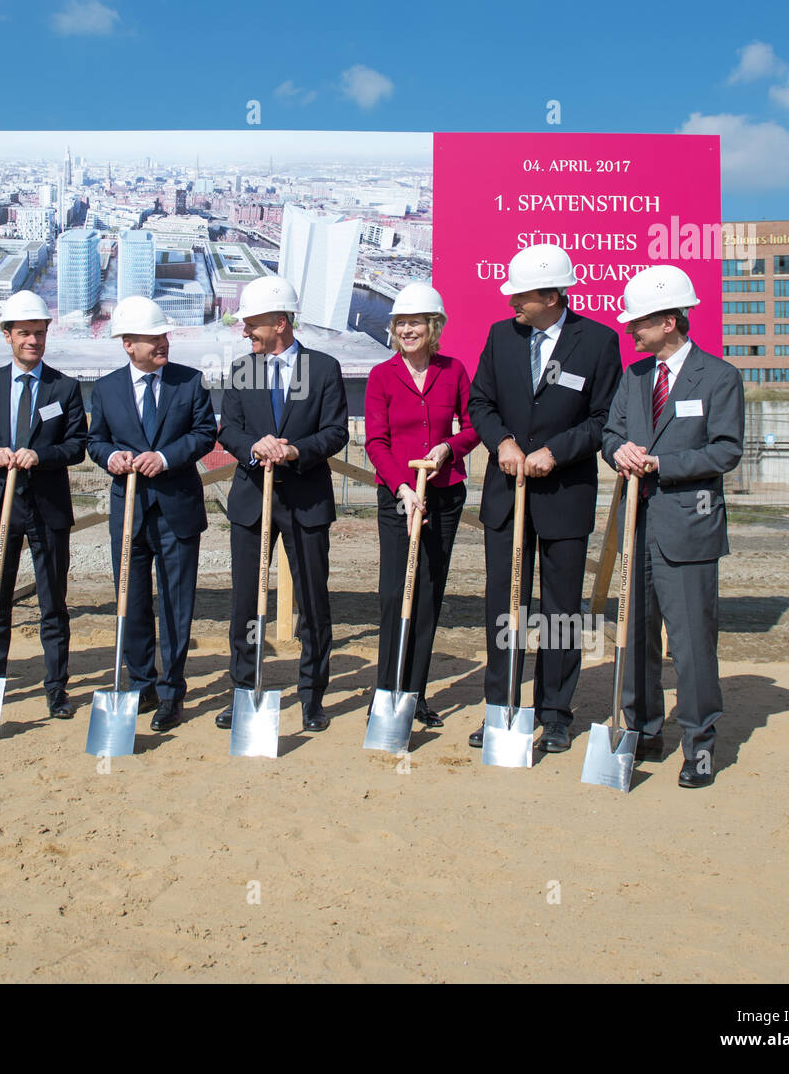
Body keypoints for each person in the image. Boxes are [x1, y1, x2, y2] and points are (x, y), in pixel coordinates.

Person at [467, 243, 622, 752]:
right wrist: (503, 442)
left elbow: (603, 419)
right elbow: (481, 402)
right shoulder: (500, 337)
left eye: (522, 294)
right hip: (507, 496)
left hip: (563, 494)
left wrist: (556, 451)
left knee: (558, 611)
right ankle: (501, 707)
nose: (512, 301)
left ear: (552, 294)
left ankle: (555, 710)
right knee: (504, 605)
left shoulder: (597, 342)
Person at [602, 265, 743, 789]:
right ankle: (642, 729)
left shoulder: (720, 377)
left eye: (638, 322)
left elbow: (726, 450)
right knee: (635, 638)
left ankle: (700, 744)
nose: (630, 331)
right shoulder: (634, 377)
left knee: (689, 645)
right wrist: (621, 451)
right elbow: (611, 433)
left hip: (689, 528)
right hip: (636, 525)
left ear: (668, 320)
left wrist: (663, 463)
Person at [217, 275, 349, 732]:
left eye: (252, 323)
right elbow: (228, 430)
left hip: (305, 499)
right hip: (254, 501)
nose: (245, 332)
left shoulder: (323, 368)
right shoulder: (242, 370)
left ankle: (312, 697)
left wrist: (294, 450)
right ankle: (244, 689)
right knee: (246, 603)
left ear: (280, 322)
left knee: (314, 602)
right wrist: (256, 447)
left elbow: (335, 432)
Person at [87, 295, 217, 732]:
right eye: (152, 338)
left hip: (177, 511)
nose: (163, 343)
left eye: (164, 335)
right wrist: (111, 458)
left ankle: (171, 691)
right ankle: (141, 683)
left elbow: (203, 435)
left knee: (177, 604)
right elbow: (95, 440)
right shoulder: (105, 390)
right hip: (130, 513)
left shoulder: (190, 382)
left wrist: (163, 458)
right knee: (134, 601)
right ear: (128, 344)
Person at [0, 291, 87, 718]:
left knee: (54, 602)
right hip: (1, 507)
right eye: (24, 334)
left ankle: (57, 688)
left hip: (47, 509)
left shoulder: (64, 389)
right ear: (8, 336)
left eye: (39, 333)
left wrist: (41, 456)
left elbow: (76, 447)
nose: (32, 341)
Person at [364, 283, 479, 728]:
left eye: (415, 322)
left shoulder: (453, 371)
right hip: (400, 497)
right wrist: (403, 489)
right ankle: (386, 692)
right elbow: (376, 441)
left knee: (428, 593)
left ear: (434, 326)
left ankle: (414, 693)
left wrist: (448, 449)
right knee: (396, 593)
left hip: (444, 493)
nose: (407, 330)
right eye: (400, 323)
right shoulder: (381, 375)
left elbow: (473, 426)